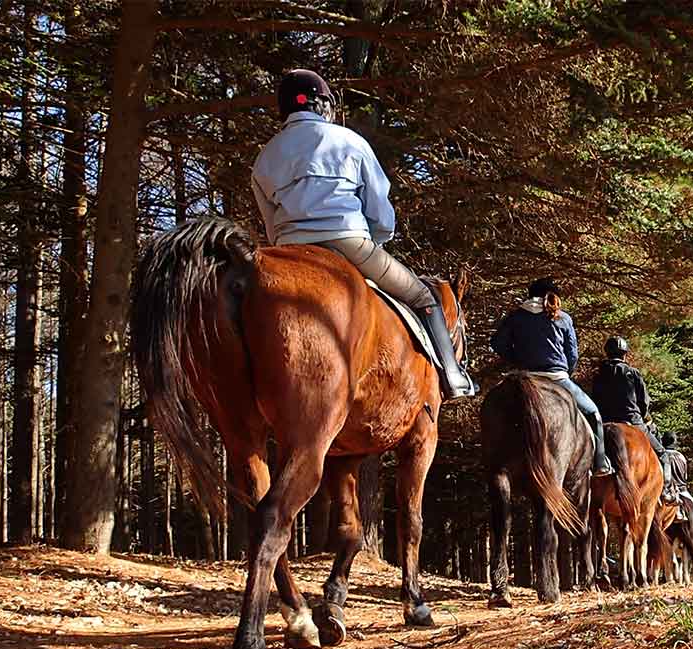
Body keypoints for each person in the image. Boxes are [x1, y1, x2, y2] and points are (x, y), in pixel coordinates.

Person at [250, 68, 476, 400]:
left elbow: (271, 226)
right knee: (424, 298)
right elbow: (381, 215)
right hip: (349, 242)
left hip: (288, 251)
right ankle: (454, 377)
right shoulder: (350, 141)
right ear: (322, 105)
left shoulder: (265, 157)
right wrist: (376, 244)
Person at [491, 278, 614, 476]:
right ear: (552, 295)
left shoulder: (516, 316)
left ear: (530, 296)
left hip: (525, 377)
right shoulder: (562, 318)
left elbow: (497, 343)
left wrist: (516, 360)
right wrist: (567, 372)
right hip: (556, 378)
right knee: (594, 414)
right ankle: (600, 463)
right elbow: (572, 353)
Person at [592, 337, 673, 497]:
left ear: (607, 353)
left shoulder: (599, 375)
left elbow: (595, 399)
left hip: (605, 423)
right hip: (632, 421)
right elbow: (644, 402)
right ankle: (667, 492)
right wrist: (643, 417)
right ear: (625, 355)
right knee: (663, 454)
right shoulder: (633, 373)